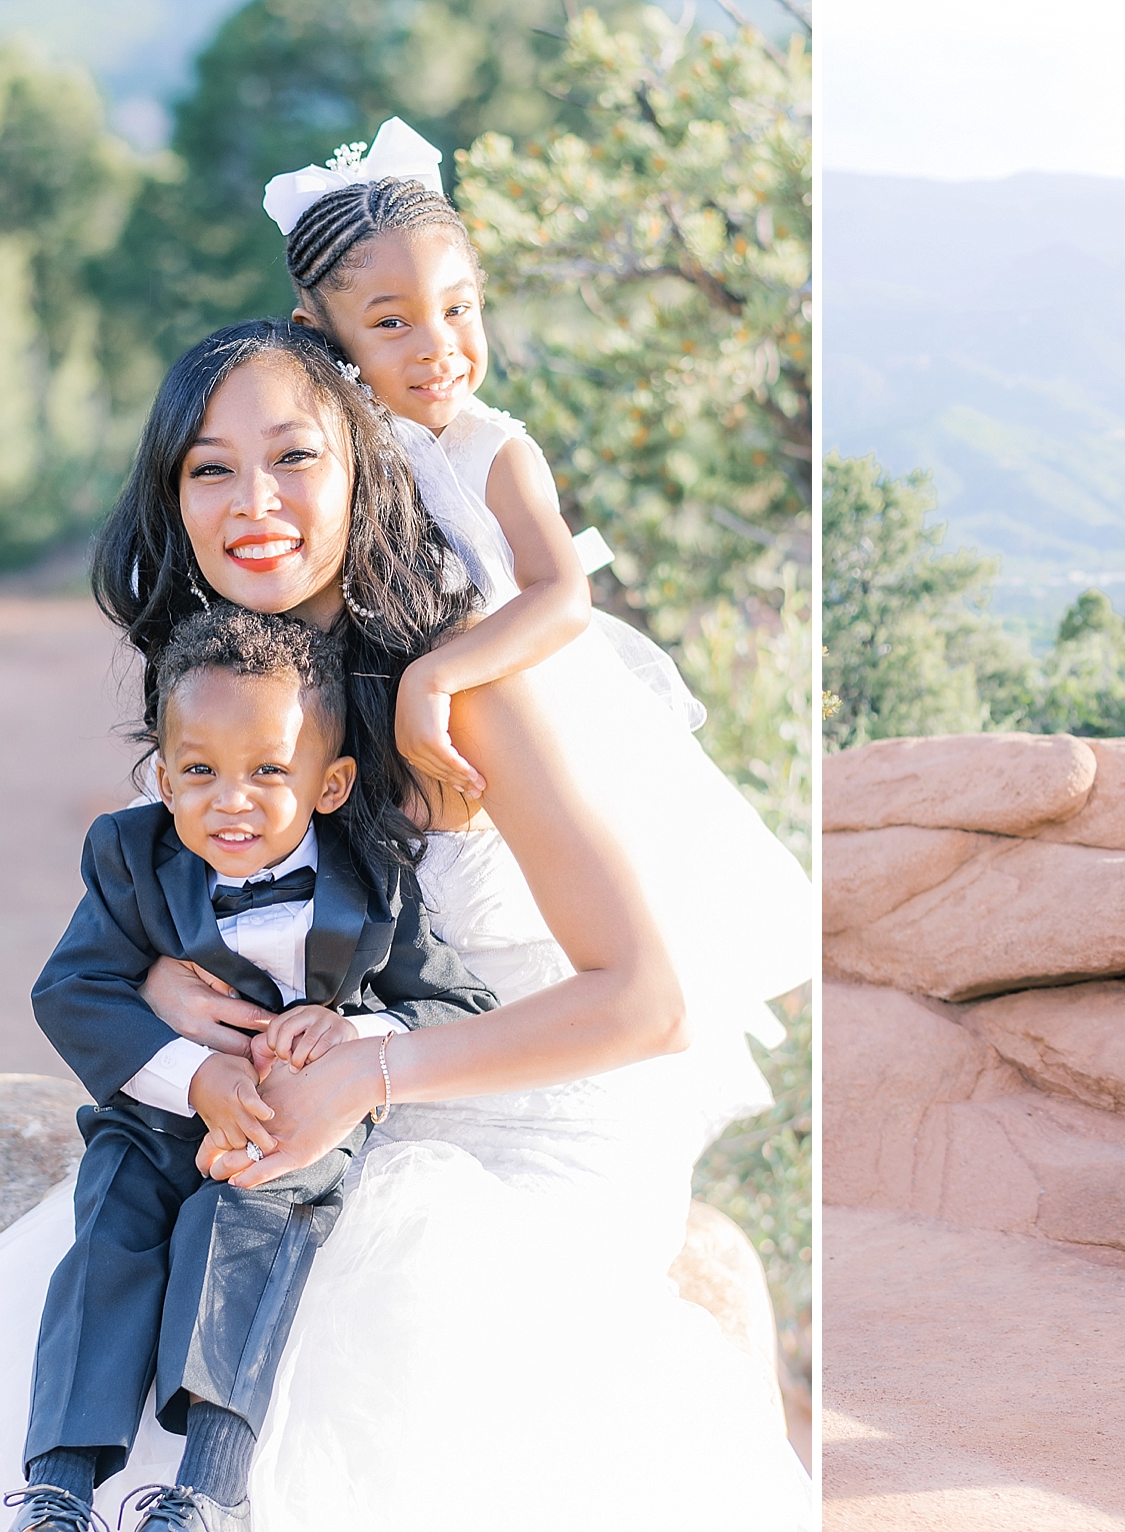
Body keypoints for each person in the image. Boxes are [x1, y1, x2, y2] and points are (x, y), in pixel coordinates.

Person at [0, 322, 811, 1530]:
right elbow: (172, 911)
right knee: (102, 1288)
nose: (253, 503)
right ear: (170, 496)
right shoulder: (225, 684)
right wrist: (164, 983)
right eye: (210, 468)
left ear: (361, 468)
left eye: (293, 457)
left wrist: (369, 1075)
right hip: (305, 1082)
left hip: (527, 1102)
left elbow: (648, 1003)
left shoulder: (465, 687)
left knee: (340, 1331)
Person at [255, 115, 807, 1070]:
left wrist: (437, 676)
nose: (438, 347)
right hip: (402, 754)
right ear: (320, 336)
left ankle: (558, 1036)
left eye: (459, 309)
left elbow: (562, 595)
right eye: (391, 322)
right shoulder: (336, 454)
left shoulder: (493, 447)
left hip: (528, 709)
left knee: (548, 908)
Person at [11, 604, 499, 1532]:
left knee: (244, 1228)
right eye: (200, 771)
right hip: (155, 1118)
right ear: (163, 778)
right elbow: (72, 989)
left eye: (268, 771)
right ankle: (58, 1489)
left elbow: (462, 1008)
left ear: (330, 783)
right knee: (110, 1232)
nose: (230, 800)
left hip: (290, 1124)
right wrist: (193, 1075)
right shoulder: (130, 856)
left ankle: (206, 1489)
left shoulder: (375, 878)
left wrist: (352, 1030)